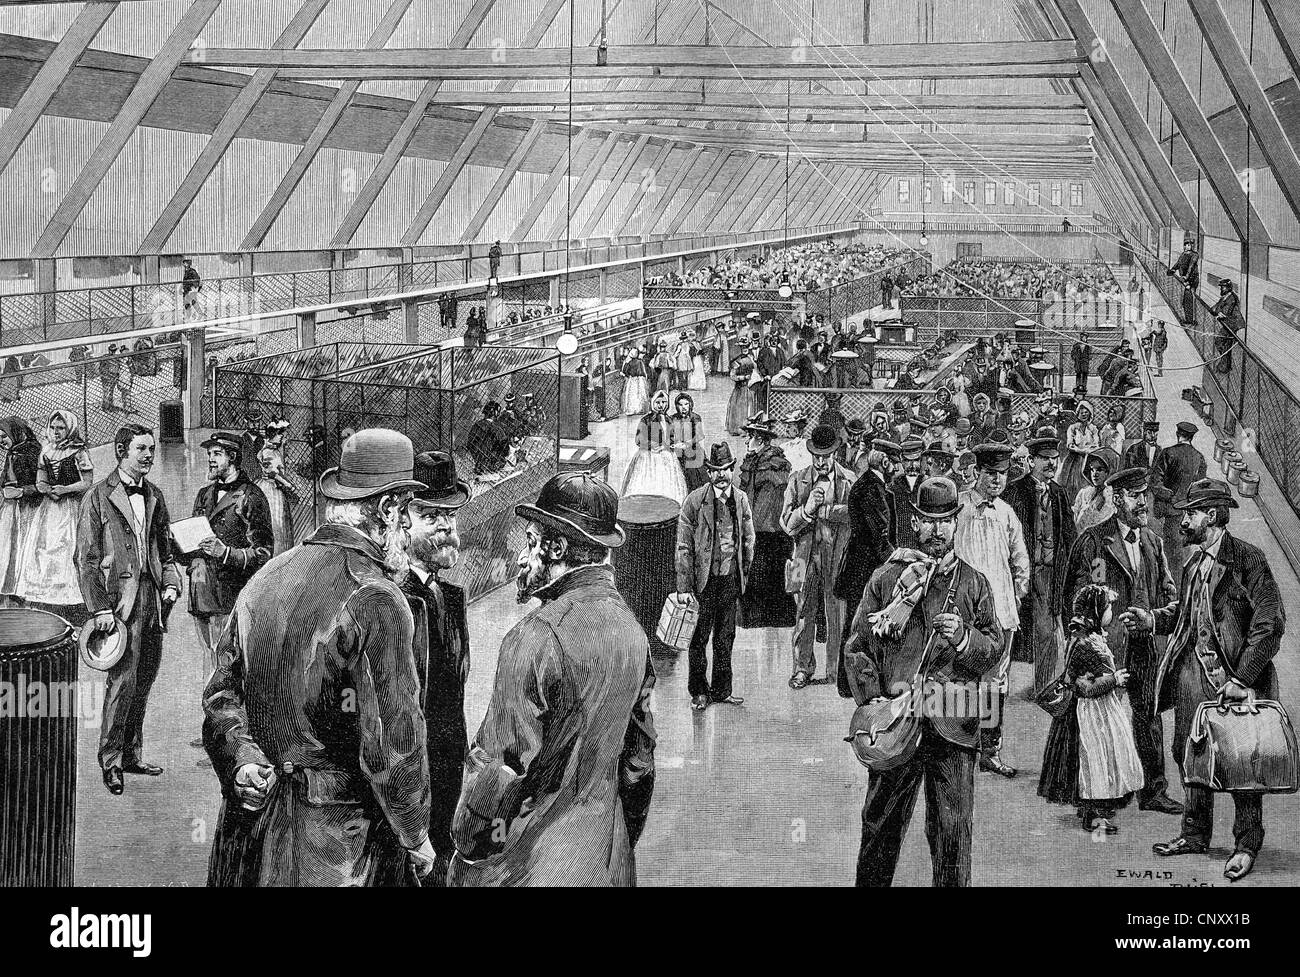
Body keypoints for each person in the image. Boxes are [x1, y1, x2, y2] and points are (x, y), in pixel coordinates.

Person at [203, 429, 434, 886]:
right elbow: (392, 743)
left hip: (251, 830)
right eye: (406, 511)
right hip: (337, 843)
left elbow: (221, 693)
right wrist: (414, 835)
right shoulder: (377, 598)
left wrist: (244, 757)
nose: (406, 529)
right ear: (387, 510)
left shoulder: (267, 577)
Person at [450, 473, 657, 886]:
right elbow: (639, 761)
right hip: (604, 861)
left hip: (531, 865)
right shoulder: (631, 631)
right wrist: (616, 839)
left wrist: (466, 843)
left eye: (530, 542)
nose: (523, 560)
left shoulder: (535, 637)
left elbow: (504, 767)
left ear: (556, 548)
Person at [844, 476, 1003, 887]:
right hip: (897, 724)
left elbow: (994, 646)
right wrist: (875, 701)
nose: (936, 530)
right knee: (880, 830)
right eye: (928, 520)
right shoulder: (885, 580)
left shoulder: (973, 582)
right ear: (914, 522)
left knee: (952, 835)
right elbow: (858, 646)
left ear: (956, 523)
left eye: (945, 521)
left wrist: (965, 638)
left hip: (953, 726)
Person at [1152, 479, 1284, 883]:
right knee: (1190, 753)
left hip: (1238, 680)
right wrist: (1153, 619)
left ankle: (1246, 844)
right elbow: (1187, 613)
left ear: (1210, 516)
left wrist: (1243, 678)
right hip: (1193, 676)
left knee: (1245, 763)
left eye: (1189, 513)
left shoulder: (1248, 559)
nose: (1183, 520)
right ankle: (1194, 834)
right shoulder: (1193, 563)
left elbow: (1270, 622)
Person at [1061, 467, 1183, 816]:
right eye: (1135, 496)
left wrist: (1153, 618)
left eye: (1145, 495)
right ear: (1118, 499)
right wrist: (1091, 639)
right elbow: (1083, 596)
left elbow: (1171, 596)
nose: (1143, 502)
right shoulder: (1095, 542)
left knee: (1148, 715)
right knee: (1099, 724)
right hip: (1105, 651)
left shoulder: (1152, 542)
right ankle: (1094, 804)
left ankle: (1153, 790)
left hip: (1144, 646)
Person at [77, 423, 182, 796]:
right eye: (142, 449)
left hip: (153, 600)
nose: (150, 455)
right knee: (122, 682)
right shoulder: (97, 495)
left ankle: (133, 754)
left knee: (145, 679)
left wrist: (170, 583)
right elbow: (86, 559)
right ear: (122, 451)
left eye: (152, 449)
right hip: (120, 606)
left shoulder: (154, 494)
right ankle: (111, 762)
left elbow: (165, 550)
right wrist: (99, 609)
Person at [401, 450, 473, 887]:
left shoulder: (452, 596)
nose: (446, 527)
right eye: (431, 515)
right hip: (409, 765)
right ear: (402, 523)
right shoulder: (392, 600)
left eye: (450, 515)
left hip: (448, 758)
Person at [1038, 583, 1145, 834]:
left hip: (1099, 710)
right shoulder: (1084, 644)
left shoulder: (1090, 638)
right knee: (1093, 763)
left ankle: (1093, 810)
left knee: (1103, 761)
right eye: (1107, 607)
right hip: (1088, 714)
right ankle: (1094, 818)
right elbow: (1083, 686)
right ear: (1095, 612)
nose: (1111, 612)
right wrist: (1114, 680)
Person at [955, 443, 1030, 779]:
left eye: (1002, 474)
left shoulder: (1006, 513)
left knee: (995, 683)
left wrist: (1013, 597)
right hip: (964, 613)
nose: (997, 480)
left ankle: (990, 749)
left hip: (1000, 614)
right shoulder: (960, 508)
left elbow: (1020, 561)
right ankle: (958, 747)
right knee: (959, 679)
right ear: (978, 474)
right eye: (991, 474)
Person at [184, 432, 274, 677]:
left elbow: (264, 553)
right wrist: (179, 543)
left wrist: (226, 553)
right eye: (209, 454)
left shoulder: (251, 496)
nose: (210, 459)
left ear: (232, 457)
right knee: (208, 657)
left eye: (216, 454)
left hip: (229, 594)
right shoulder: (204, 494)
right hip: (201, 592)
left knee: (226, 661)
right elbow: (194, 540)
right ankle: (210, 713)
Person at [675, 443, 755, 711]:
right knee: (699, 638)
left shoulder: (741, 499)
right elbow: (684, 546)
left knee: (725, 637)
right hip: (704, 582)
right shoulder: (694, 501)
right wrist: (684, 586)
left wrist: (743, 572)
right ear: (709, 473)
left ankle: (722, 691)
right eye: (715, 470)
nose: (721, 475)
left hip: (730, 581)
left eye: (726, 469)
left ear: (732, 469)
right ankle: (699, 691)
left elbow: (749, 538)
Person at [782, 423, 856, 690]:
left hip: (835, 556)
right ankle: (802, 669)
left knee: (836, 611)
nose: (822, 461)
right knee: (803, 612)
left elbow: (856, 515)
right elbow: (787, 524)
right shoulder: (797, 479)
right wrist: (807, 510)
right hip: (802, 558)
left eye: (827, 455)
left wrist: (828, 512)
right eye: (817, 456)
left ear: (835, 453)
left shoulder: (849, 480)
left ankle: (835, 671)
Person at [1004, 428, 1076, 695]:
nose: (1052, 463)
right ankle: (1001, 685)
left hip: (1047, 575)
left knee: (1046, 632)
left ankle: (1044, 687)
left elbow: (1070, 536)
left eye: (1055, 458)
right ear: (1031, 461)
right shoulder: (1014, 492)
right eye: (1045, 458)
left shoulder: (1058, 494)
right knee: (1009, 628)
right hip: (1019, 573)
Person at [834, 438, 899, 696]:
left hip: (862, 567)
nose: (899, 467)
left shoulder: (868, 485)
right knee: (857, 625)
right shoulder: (873, 490)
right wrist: (899, 558)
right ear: (885, 462)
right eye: (896, 462)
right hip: (866, 569)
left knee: (856, 624)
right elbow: (879, 537)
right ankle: (850, 683)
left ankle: (850, 682)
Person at [16, 411, 94, 620]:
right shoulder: (46, 450)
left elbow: (87, 483)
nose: (56, 432)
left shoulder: (79, 451)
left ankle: (73, 599)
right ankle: (47, 597)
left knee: (68, 547)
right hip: (50, 506)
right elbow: (41, 480)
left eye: (60, 428)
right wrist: (48, 490)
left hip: (72, 506)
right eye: (53, 428)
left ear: (69, 429)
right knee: (44, 546)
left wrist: (65, 490)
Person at [736, 413, 796, 629]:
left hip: (769, 533)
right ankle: (752, 619)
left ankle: (769, 619)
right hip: (755, 528)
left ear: (760, 439)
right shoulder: (753, 459)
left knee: (766, 575)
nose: (746, 440)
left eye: (749, 436)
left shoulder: (774, 464)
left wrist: (747, 527)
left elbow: (766, 507)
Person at [1151, 420, 1207, 592]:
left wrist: (1172, 496)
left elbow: (1155, 482)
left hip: (1170, 510)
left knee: (1168, 547)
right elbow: (1200, 483)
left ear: (1178, 434)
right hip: (1188, 510)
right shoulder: (1199, 457)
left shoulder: (1168, 453)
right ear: (1192, 437)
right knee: (1181, 548)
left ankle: (1168, 584)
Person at [0, 417, 41, 605]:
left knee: (24, 549)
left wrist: (21, 492)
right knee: (9, 549)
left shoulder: (32, 452)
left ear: (15, 433)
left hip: (30, 509)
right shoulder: (12, 453)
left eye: (3, 436)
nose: (1, 441)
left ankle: (24, 593)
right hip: (11, 509)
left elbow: (42, 486)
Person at [622, 390, 687, 504]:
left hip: (666, 455)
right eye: (658, 402)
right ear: (653, 403)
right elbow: (639, 439)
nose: (661, 405)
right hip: (648, 456)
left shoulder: (668, 420)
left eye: (664, 402)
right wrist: (652, 445)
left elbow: (672, 437)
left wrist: (672, 445)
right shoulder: (646, 419)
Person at [254, 443, 302, 555]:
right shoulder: (266, 453)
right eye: (279, 433)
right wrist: (288, 485)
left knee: (281, 523)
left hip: (276, 490)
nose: (281, 437)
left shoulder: (275, 452)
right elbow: (273, 472)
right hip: (268, 489)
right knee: (273, 521)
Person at [888, 437, 925, 548]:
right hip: (900, 544)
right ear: (901, 461)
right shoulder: (893, 486)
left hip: (923, 544)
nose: (912, 466)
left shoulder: (928, 484)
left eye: (916, 460)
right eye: (908, 461)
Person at [1059, 399, 1099, 500]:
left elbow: (1096, 444)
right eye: (1081, 412)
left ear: (1090, 414)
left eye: (1086, 412)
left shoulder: (1093, 429)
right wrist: (1081, 451)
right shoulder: (1073, 428)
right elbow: (1070, 445)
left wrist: (1089, 451)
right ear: (1078, 414)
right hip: (1076, 460)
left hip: (1089, 459)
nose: (1084, 414)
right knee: (1074, 484)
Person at [669, 392, 707, 493]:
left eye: (686, 404)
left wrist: (686, 444)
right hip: (677, 451)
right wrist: (674, 443)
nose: (684, 407)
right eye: (680, 405)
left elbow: (699, 435)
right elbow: (669, 435)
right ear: (677, 406)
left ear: (690, 404)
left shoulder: (695, 417)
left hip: (692, 449)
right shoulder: (673, 418)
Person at [1073, 453, 1117, 532]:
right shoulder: (1084, 493)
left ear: (1107, 472)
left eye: (1099, 470)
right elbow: (1075, 519)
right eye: (1092, 470)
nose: (1095, 474)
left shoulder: (1112, 497)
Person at [466, 401, 510, 477]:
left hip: (475, 460)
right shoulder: (498, 429)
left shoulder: (476, 425)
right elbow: (506, 450)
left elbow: (470, 443)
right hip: (491, 464)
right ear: (496, 413)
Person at [725, 339, 756, 435]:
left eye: (746, 347)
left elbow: (755, 369)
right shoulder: (737, 361)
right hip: (740, 388)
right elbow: (732, 375)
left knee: (749, 408)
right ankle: (738, 428)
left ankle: (748, 428)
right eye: (743, 347)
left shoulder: (751, 358)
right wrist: (742, 377)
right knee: (739, 408)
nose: (745, 349)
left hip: (749, 387)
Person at [1171, 240, 1199, 326]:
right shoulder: (1183, 254)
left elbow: (1191, 266)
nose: (1187, 246)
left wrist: (1186, 278)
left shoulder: (1194, 255)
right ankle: (1189, 318)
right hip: (1185, 280)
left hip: (1191, 280)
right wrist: (1173, 269)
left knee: (1189, 299)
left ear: (1192, 246)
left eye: (1189, 245)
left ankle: (1190, 320)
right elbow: (1178, 263)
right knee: (1185, 300)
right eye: (1186, 245)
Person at [621, 348, 650, 416]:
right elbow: (644, 371)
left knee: (632, 395)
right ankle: (641, 409)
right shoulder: (640, 362)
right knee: (640, 394)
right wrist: (645, 377)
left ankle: (632, 410)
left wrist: (628, 375)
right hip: (640, 380)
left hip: (632, 380)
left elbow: (625, 371)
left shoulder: (629, 362)